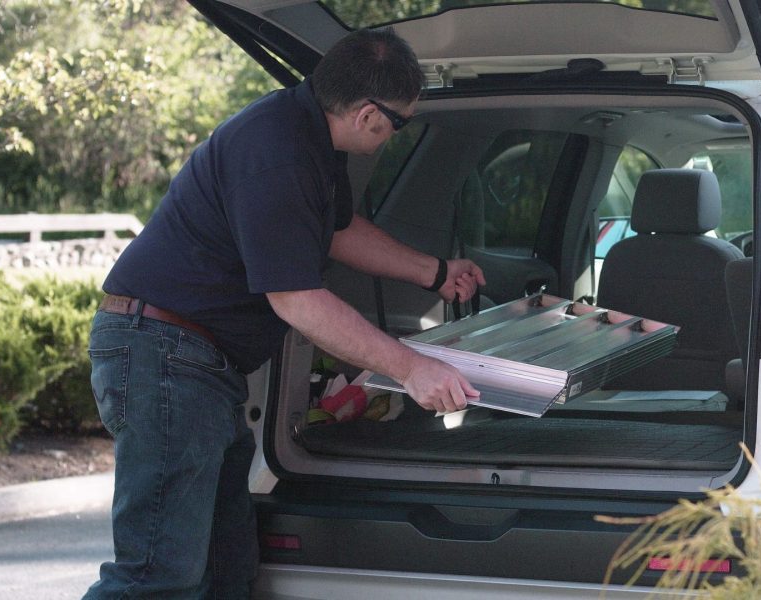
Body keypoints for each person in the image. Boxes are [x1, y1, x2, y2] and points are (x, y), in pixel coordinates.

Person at [83, 28, 485, 599]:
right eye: (400, 124)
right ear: (370, 114)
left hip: (195, 365)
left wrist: (433, 272)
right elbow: (296, 299)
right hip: (163, 356)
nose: (395, 135)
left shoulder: (309, 139)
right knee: (157, 576)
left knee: (224, 573)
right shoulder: (275, 153)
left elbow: (338, 232)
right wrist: (410, 368)